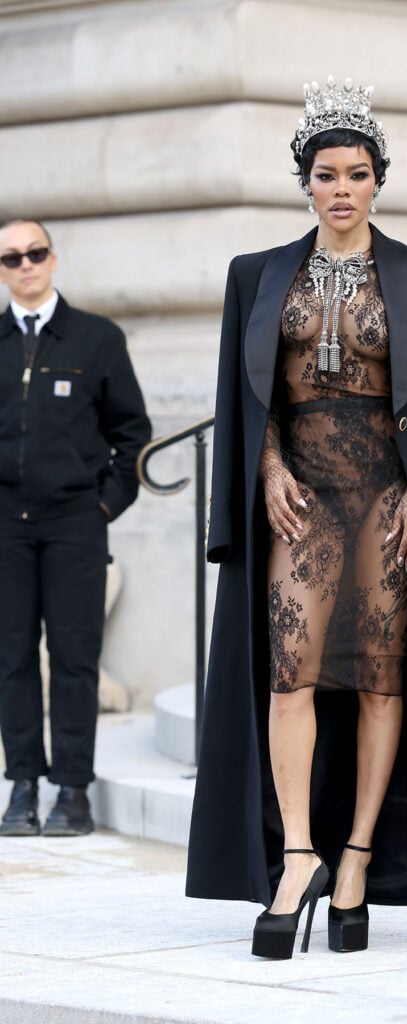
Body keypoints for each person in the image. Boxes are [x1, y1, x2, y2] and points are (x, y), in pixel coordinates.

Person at [186, 76, 407, 957]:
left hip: (388, 498)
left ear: (377, 179)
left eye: (357, 173)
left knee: (380, 681)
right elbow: (244, 397)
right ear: (305, 181)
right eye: (326, 174)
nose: (342, 188)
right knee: (290, 675)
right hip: (300, 498)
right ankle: (297, 858)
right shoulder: (254, 275)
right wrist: (265, 467)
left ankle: (355, 859)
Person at [0, 217, 151, 837]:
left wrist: (102, 508)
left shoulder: (96, 339)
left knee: (73, 659)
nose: (25, 265)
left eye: (35, 253)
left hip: (75, 527)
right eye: (12, 258)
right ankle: (22, 786)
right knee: (11, 659)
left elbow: (132, 436)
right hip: (6, 530)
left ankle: (72, 790)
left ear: (53, 259)